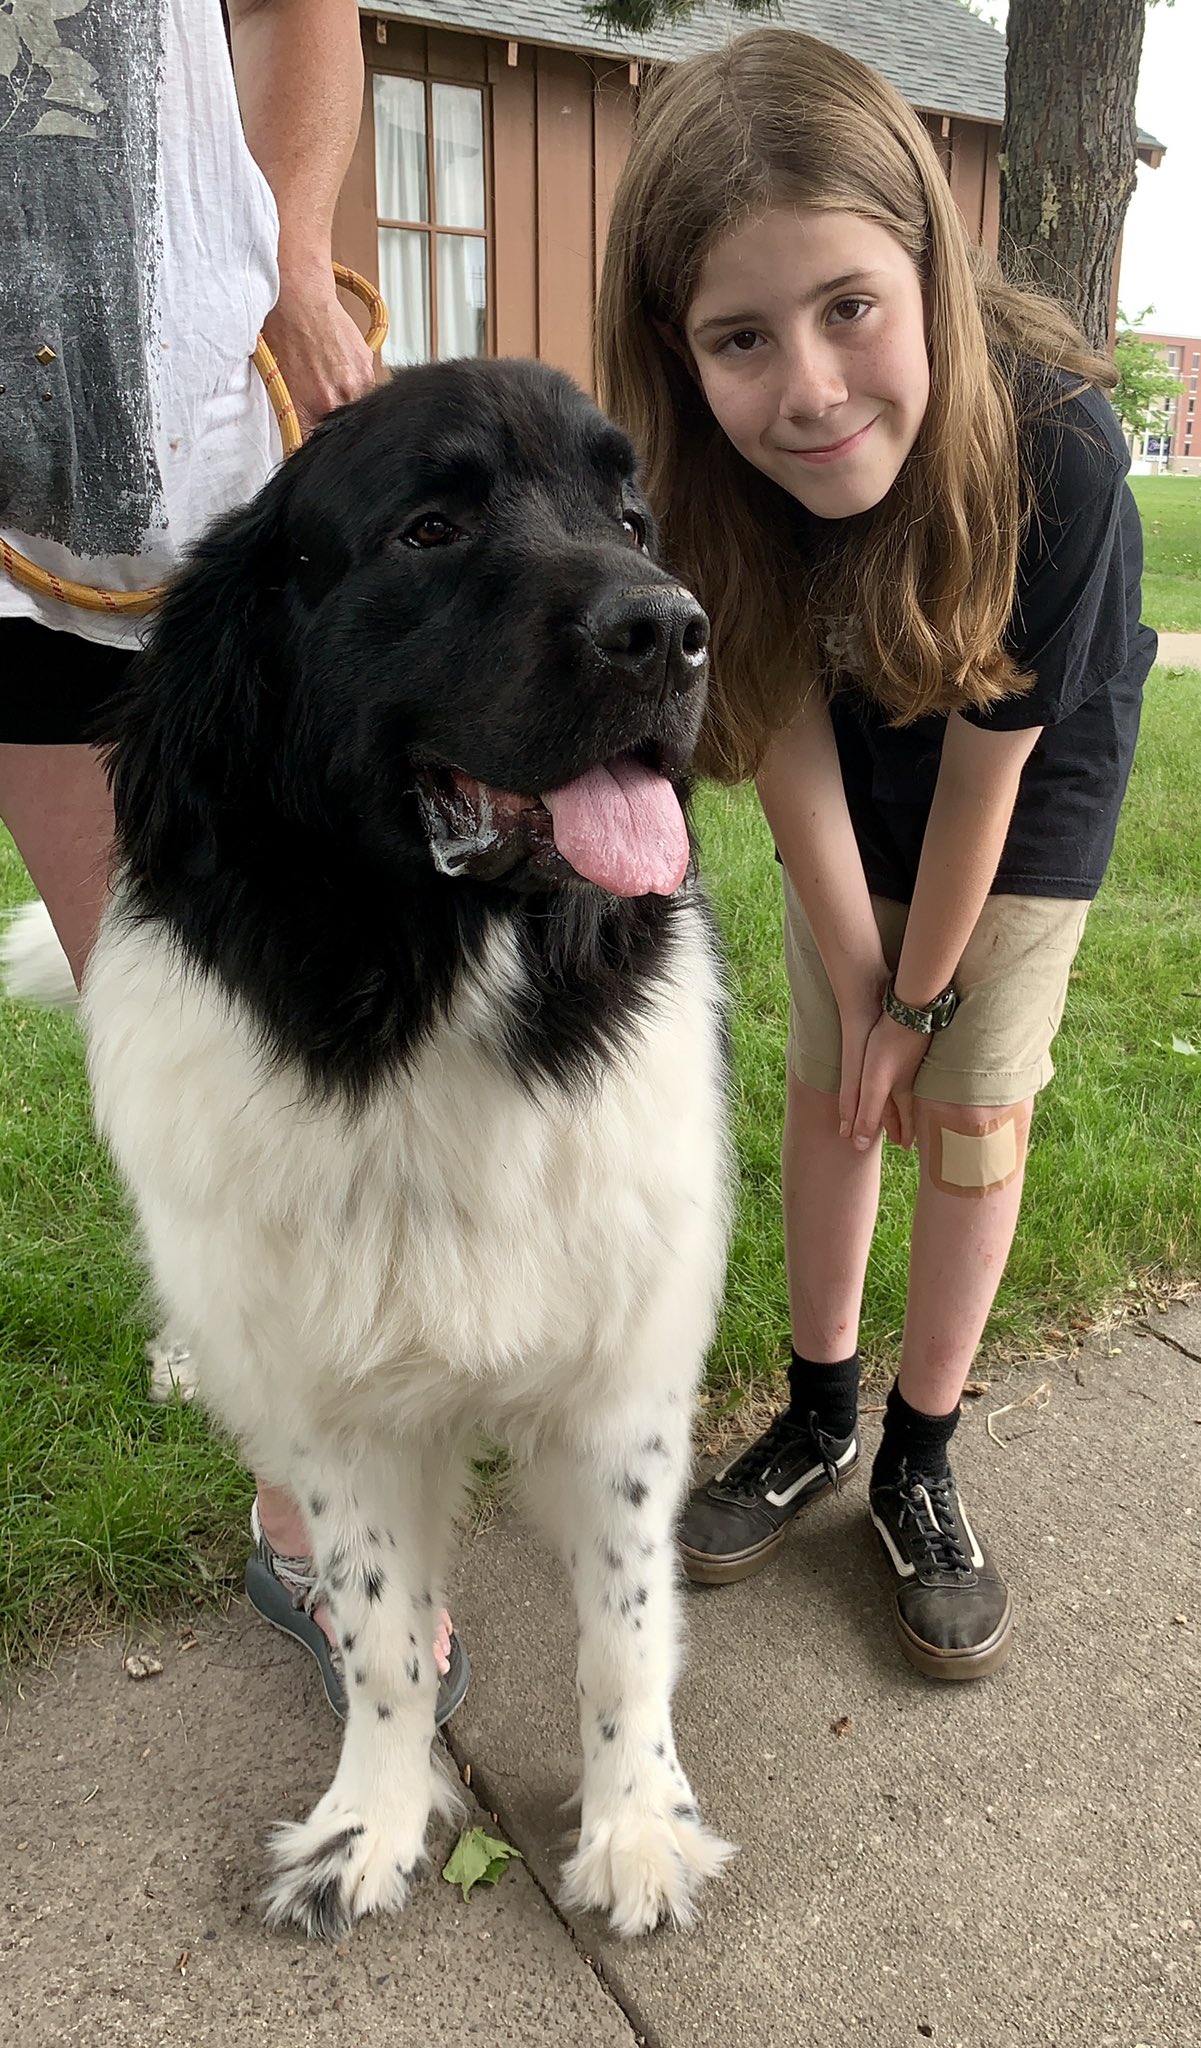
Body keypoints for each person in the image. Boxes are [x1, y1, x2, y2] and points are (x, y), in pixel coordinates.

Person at [596, 29, 1156, 1681]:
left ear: (924, 258)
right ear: (678, 351)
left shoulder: (1054, 443)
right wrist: (862, 983)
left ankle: (920, 1449)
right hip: (840, 745)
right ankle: (819, 1413)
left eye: (849, 305)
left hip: (1022, 772)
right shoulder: (697, 476)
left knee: (964, 1109)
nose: (812, 389)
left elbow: (993, 758)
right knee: (839, 1080)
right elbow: (773, 725)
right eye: (740, 338)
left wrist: (925, 1003)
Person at [0, 0, 463, 1713]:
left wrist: (290, 244)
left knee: (287, 1031)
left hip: (197, 450)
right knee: (175, 1044)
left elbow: (293, 10)